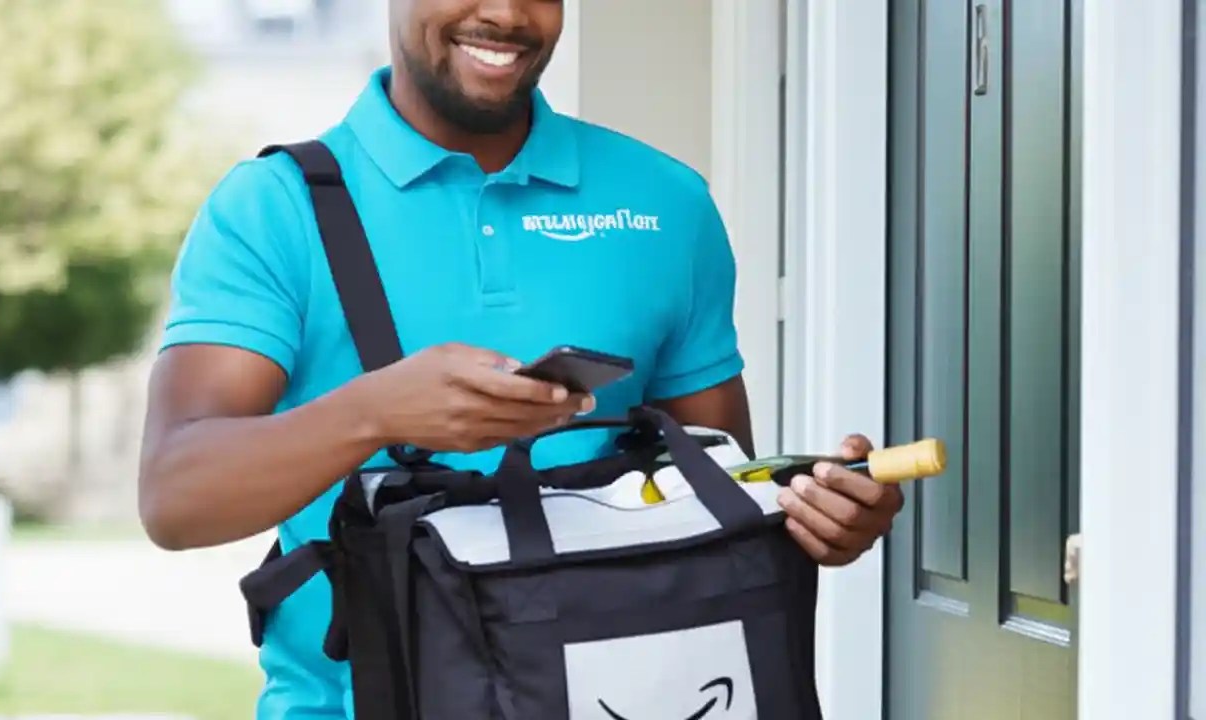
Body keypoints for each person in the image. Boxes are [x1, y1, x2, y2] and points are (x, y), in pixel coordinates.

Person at [138, 0, 905, 716]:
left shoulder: (667, 201)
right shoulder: (274, 208)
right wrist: (376, 410)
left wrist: (812, 512)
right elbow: (176, 499)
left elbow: (713, 487)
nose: (506, 14)